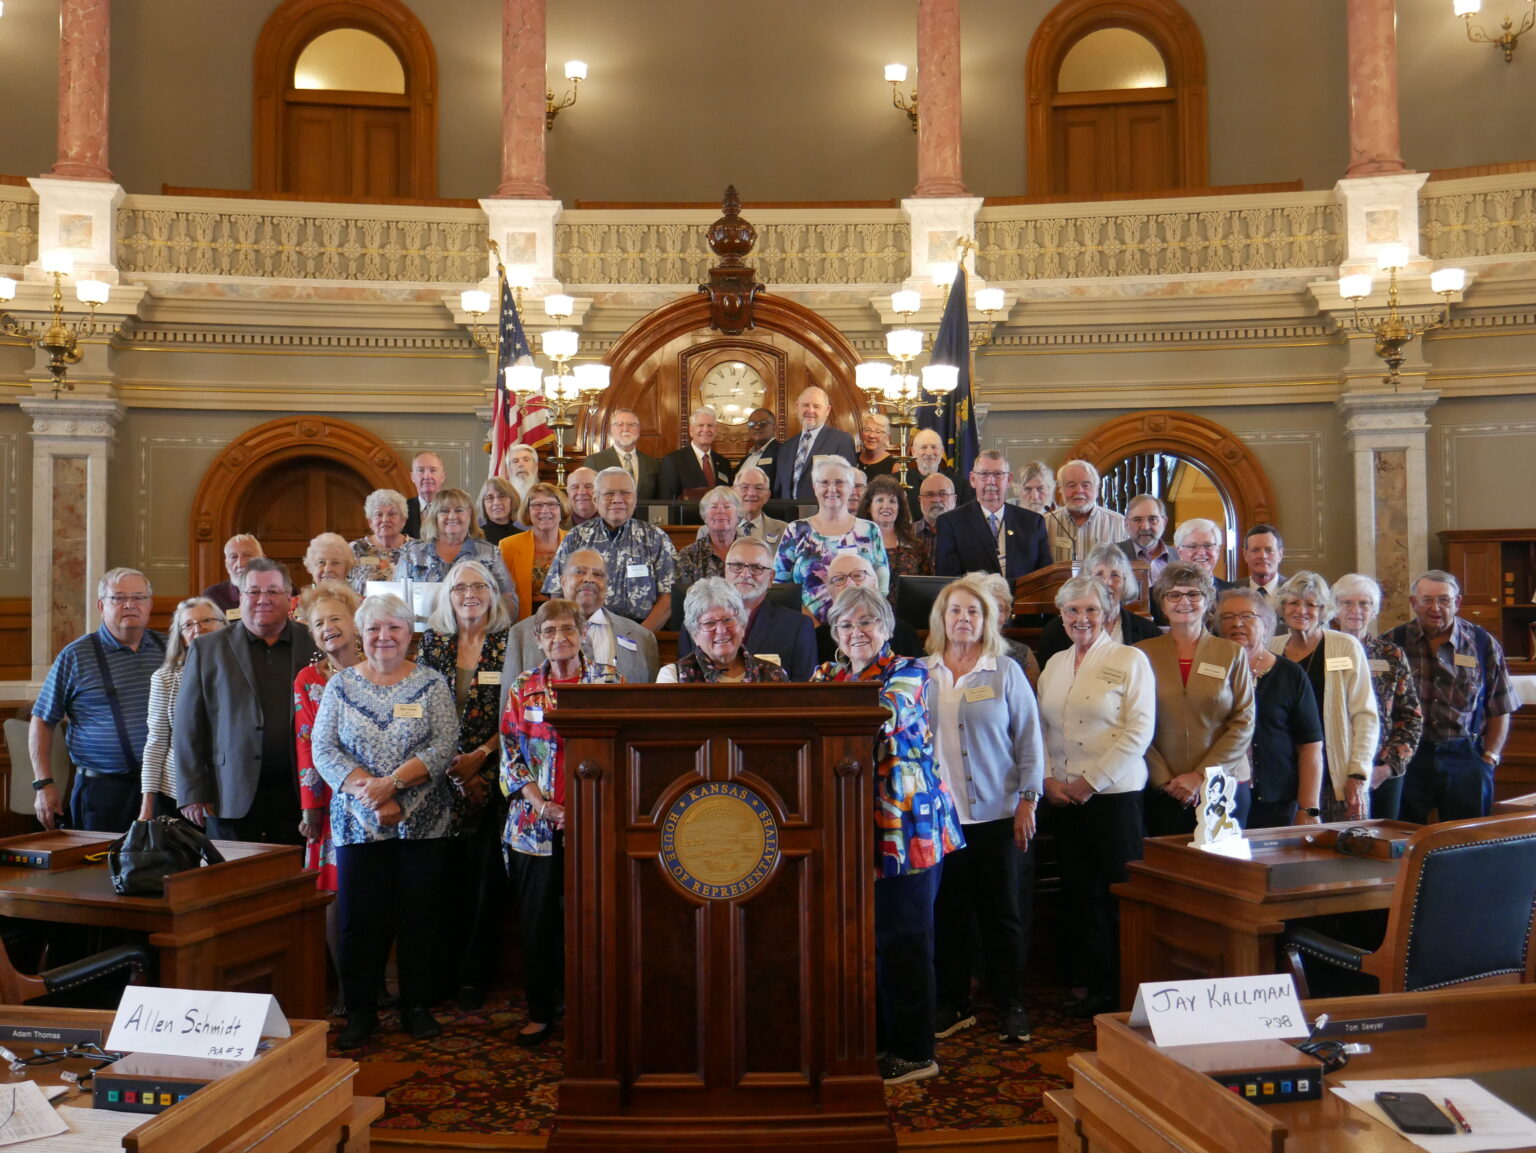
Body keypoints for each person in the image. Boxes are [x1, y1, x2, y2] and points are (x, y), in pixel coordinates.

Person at [812, 586, 962, 1086]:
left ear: (886, 628)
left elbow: (882, 719)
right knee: (860, 940)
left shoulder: (910, 672)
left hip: (905, 824)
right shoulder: (826, 674)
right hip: (844, 823)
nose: (857, 633)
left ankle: (916, 1050)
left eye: (867, 624)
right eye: (847, 626)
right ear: (835, 634)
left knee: (905, 937)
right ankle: (873, 1039)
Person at [311, 593, 458, 1049]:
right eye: (374, 629)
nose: (384, 637)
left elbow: (445, 743)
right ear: (361, 635)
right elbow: (324, 749)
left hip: (423, 822)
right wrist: (371, 795)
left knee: (420, 915)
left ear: (409, 634)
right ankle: (360, 1012)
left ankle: (416, 1005)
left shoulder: (433, 684)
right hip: (357, 823)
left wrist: (391, 785)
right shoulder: (339, 686)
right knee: (360, 920)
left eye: (393, 628)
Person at [924, 574, 1044, 1044]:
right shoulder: (922, 671)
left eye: (973, 612)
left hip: (997, 815)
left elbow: (1030, 743)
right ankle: (954, 1003)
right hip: (940, 821)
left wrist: (1028, 801)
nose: (964, 619)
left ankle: (1010, 1003)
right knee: (948, 916)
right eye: (955, 610)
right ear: (942, 617)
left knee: (1002, 916)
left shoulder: (1005, 671)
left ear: (987, 619)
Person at [501, 598, 623, 1046]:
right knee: (537, 923)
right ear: (537, 639)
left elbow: (624, 749)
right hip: (535, 827)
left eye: (567, 630)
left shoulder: (608, 682)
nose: (559, 639)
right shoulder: (522, 687)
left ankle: (597, 1009)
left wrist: (587, 809)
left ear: (583, 634)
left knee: (596, 920)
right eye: (549, 631)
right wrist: (541, 804)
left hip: (595, 824)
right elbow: (510, 757)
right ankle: (540, 1010)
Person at [1036, 575, 1155, 1017]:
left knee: (1118, 895)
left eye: (1090, 610)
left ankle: (1126, 992)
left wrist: (1093, 781)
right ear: (1061, 615)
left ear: (1107, 613)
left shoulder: (1130, 659)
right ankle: (1092, 985)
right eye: (1072, 610)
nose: (1081, 618)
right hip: (1064, 799)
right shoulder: (1054, 664)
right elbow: (1042, 731)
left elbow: (1139, 731)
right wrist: (1049, 780)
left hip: (1114, 797)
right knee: (1079, 894)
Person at [418, 558, 513, 1011]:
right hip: (437, 777)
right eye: (459, 588)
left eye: (479, 586)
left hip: (490, 774)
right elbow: (418, 708)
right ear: (446, 596)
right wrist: (450, 765)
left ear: (493, 594)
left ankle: (474, 975)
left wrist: (479, 759)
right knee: (439, 881)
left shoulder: (508, 641)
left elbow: (514, 709)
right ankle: (439, 973)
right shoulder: (433, 643)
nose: (469, 594)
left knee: (483, 881)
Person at [175, 557, 319, 842]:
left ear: (289, 597)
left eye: (273, 591)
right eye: (253, 591)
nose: (262, 599)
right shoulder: (208, 648)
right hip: (228, 793)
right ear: (241, 598)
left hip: (299, 795)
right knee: (231, 882)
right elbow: (188, 726)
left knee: (293, 882)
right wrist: (192, 792)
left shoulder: (313, 643)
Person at [31, 568, 167, 833]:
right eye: (119, 598)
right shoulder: (76, 656)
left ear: (150, 605)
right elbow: (42, 721)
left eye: (139, 597)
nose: (130, 604)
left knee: (167, 869)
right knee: (97, 870)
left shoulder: (171, 649)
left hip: (164, 789)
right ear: (101, 605)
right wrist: (43, 784)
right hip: (102, 793)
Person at [1383, 570, 1518, 824]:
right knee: (1400, 838)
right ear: (1414, 603)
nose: (1436, 608)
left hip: (1466, 757)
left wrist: (1489, 758)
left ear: (1457, 603)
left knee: (1465, 841)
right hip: (1407, 758)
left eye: (1444, 600)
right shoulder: (1392, 643)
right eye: (1427, 600)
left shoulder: (1482, 644)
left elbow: (1500, 706)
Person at [1136, 561, 1255, 836]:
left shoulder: (1231, 653)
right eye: (1173, 595)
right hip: (1163, 789)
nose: (1183, 602)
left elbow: (1243, 721)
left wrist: (1202, 776)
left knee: (1221, 875)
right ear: (1162, 603)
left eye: (1193, 594)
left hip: (1223, 786)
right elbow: (1131, 721)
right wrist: (1164, 779)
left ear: (1207, 601)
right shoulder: (1140, 654)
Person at [1267, 572, 1379, 823]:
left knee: (1338, 849)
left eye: (1310, 604)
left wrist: (1358, 774)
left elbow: (1365, 716)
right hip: (1284, 776)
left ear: (1324, 610)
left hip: (1336, 776)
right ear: (1282, 608)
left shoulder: (1346, 646)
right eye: (1293, 603)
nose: (1301, 610)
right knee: (1292, 850)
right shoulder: (1269, 648)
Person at [292, 580, 362, 977]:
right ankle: (345, 983)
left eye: (335, 618)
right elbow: (305, 745)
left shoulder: (380, 666)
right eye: (318, 623)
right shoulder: (307, 680)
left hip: (377, 797)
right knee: (332, 895)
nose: (327, 628)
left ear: (354, 622)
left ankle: (378, 981)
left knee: (373, 892)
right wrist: (310, 806)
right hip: (330, 803)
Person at [1214, 588, 1324, 828]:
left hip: (1278, 803)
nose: (1237, 623)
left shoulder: (1290, 674)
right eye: (1228, 617)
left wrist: (1309, 809)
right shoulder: (1209, 672)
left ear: (1266, 624)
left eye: (1247, 616)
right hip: (1220, 799)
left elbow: (1310, 746)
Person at [1333, 573, 1423, 820]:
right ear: (1334, 609)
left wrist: (1386, 767)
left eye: (1365, 603)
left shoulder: (1391, 655)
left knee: (1382, 843)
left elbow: (1410, 717)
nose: (1356, 610)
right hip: (1332, 767)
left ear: (1374, 611)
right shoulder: (1323, 651)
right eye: (1347, 603)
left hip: (1380, 771)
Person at [543, 468, 676, 631]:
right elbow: (557, 593)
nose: (617, 499)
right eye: (609, 493)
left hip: (641, 630)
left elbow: (669, 597)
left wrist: (639, 637)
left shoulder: (656, 538)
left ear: (635, 498)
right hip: (584, 632)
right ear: (595, 499)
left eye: (625, 493)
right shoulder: (576, 537)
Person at [509, 548, 660, 685]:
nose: (589, 579)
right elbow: (509, 706)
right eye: (579, 572)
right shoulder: (522, 633)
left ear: (607, 585)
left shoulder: (642, 638)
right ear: (562, 581)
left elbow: (652, 705)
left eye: (598, 574)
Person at [677, 536, 817, 680]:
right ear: (725, 571)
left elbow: (805, 693)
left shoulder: (798, 627)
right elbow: (686, 682)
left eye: (757, 568)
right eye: (737, 565)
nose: (745, 574)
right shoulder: (695, 625)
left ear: (771, 578)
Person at [774, 457, 889, 624]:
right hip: (808, 627)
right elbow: (780, 587)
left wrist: (859, 620)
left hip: (860, 627)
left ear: (850, 488)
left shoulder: (870, 531)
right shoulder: (795, 531)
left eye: (840, 482)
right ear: (814, 487)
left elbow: (882, 587)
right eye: (824, 482)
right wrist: (807, 620)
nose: (832, 488)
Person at [140, 596, 226, 820]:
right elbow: (156, 743)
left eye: (206, 620)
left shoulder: (240, 672)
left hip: (230, 789)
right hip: (177, 794)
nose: (198, 629)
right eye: (188, 625)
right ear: (180, 635)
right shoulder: (165, 679)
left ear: (223, 625)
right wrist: (146, 809)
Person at [398, 487, 518, 616]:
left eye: (459, 510)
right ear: (434, 516)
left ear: (470, 514)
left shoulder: (490, 553)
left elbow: (508, 599)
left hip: (476, 631)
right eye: (444, 511)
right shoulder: (412, 552)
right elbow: (397, 599)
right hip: (421, 631)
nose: (452, 516)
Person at [933, 450, 1050, 579]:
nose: (991, 481)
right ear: (972, 479)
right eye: (984, 474)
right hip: (975, 598)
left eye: (998, 474)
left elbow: (1044, 578)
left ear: (1009, 480)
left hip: (1022, 598)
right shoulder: (951, 523)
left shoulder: (1033, 523)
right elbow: (948, 579)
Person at [1037, 543, 1161, 663]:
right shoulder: (1056, 631)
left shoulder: (1148, 632)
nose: (1107, 582)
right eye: (1099, 574)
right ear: (1085, 580)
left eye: (1115, 575)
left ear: (1125, 582)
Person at [657, 578, 790, 683]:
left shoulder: (774, 675)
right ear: (694, 634)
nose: (721, 630)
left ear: (742, 626)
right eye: (709, 623)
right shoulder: (673, 677)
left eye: (728, 620)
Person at [499, 482, 569, 623]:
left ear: (561, 510)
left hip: (567, 619)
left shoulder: (575, 542)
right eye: (537, 505)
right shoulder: (508, 546)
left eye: (551, 504)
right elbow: (502, 595)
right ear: (528, 511)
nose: (544, 510)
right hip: (524, 621)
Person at [774, 385, 858, 501]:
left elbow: (848, 484)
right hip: (789, 516)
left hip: (825, 515)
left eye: (816, 406)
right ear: (797, 406)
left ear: (827, 410)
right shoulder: (786, 446)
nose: (810, 410)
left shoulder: (841, 441)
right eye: (805, 405)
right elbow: (779, 489)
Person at [1045, 459, 1126, 565]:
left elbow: (1126, 569)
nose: (1079, 490)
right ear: (1061, 489)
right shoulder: (1045, 523)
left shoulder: (1119, 523)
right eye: (1071, 485)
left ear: (1097, 489)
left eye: (1085, 485)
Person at [859, 474, 930, 592]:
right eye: (879, 500)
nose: (886, 506)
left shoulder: (915, 546)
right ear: (868, 507)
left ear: (899, 508)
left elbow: (927, 587)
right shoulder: (857, 543)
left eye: (892, 501)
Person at [978, 572, 1041, 690]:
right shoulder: (952, 653)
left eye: (999, 609)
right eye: (985, 608)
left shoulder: (1021, 654)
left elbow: (1030, 705)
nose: (993, 616)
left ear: (1007, 615)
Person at [583, 408, 660, 500]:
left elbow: (659, 500)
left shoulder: (653, 464)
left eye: (631, 425)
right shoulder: (594, 461)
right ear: (611, 430)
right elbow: (590, 498)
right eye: (619, 425)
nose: (625, 429)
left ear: (639, 429)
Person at [659, 406, 735, 499]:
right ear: (691, 430)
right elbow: (665, 500)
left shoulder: (724, 463)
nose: (706, 430)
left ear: (716, 431)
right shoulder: (673, 461)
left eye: (710, 425)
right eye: (700, 425)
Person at [674, 485, 742, 587]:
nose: (720, 511)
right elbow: (685, 597)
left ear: (739, 515)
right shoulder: (688, 555)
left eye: (727, 506)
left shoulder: (754, 552)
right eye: (714, 507)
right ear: (704, 517)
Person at [350, 488, 414, 589]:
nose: (385, 519)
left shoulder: (417, 550)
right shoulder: (354, 549)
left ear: (403, 521)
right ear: (370, 521)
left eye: (392, 514)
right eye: (378, 514)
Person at [716, 466, 786, 545]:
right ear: (734, 493)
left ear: (767, 495)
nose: (751, 493)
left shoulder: (785, 530)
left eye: (758, 488)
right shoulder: (713, 529)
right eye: (744, 487)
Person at [1117, 493, 1171, 586]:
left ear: (1164, 522)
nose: (1145, 527)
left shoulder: (1179, 556)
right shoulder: (1112, 555)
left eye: (1152, 519)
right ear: (1126, 524)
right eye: (1137, 520)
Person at [904, 428, 959, 518]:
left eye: (934, 447)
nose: (929, 453)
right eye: (923, 447)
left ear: (942, 451)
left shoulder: (960, 485)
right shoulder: (899, 482)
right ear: (913, 452)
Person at [202, 534, 263, 615]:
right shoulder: (213, 596)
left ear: (263, 560)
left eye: (247, 555)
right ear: (226, 564)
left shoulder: (278, 592)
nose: (240, 564)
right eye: (234, 557)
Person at [1173, 518, 1237, 591]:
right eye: (1193, 546)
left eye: (1208, 546)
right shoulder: (1163, 592)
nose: (1201, 553)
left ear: (1217, 551)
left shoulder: (1234, 593)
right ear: (1179, 552)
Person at [403, 450, 446, 539]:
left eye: (433, 470)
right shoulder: (402, 510)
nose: (427, 476)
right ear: (412, 477)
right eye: (421, 470)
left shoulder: (455, 509)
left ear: (442, 476)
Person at [913, 472, 956, 559]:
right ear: (920, 500)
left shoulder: (967, 534)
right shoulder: (906, 534)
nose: (936, 500)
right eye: (929, 494)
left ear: (954, 499)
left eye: (943, 494)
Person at [736, 407, 780, 488]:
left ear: (774, 428)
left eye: (762, 423)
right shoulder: (746, 459)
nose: (756, 427)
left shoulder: (783, 452)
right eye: (752, 424)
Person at [1243, 524, 1287, 599]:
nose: (1263, 556)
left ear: (1280, 555)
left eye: (1269, 550)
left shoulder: (1294, 589)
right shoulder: (1231, 590)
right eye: (1255, 550)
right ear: (1245, 555)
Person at [478, 476, 522, 546]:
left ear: (512, 500)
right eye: (490, 497)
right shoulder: (476, 538)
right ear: (483, 504)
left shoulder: (523, 538)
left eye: (502, 496)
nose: (497, 503)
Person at [857, 411, 897, 479]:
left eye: (878, 432)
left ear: (887, 438)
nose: (871, 435)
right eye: (867, 430)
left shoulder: (895, 465)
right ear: (861, 435)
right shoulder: (852, 458)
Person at [503, 444, 540, 514]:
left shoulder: (545, 496)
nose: (521, 464)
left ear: (536, 468)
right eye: (515, 461)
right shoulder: (501, 498)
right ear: (508, 470)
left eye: (526, 460)